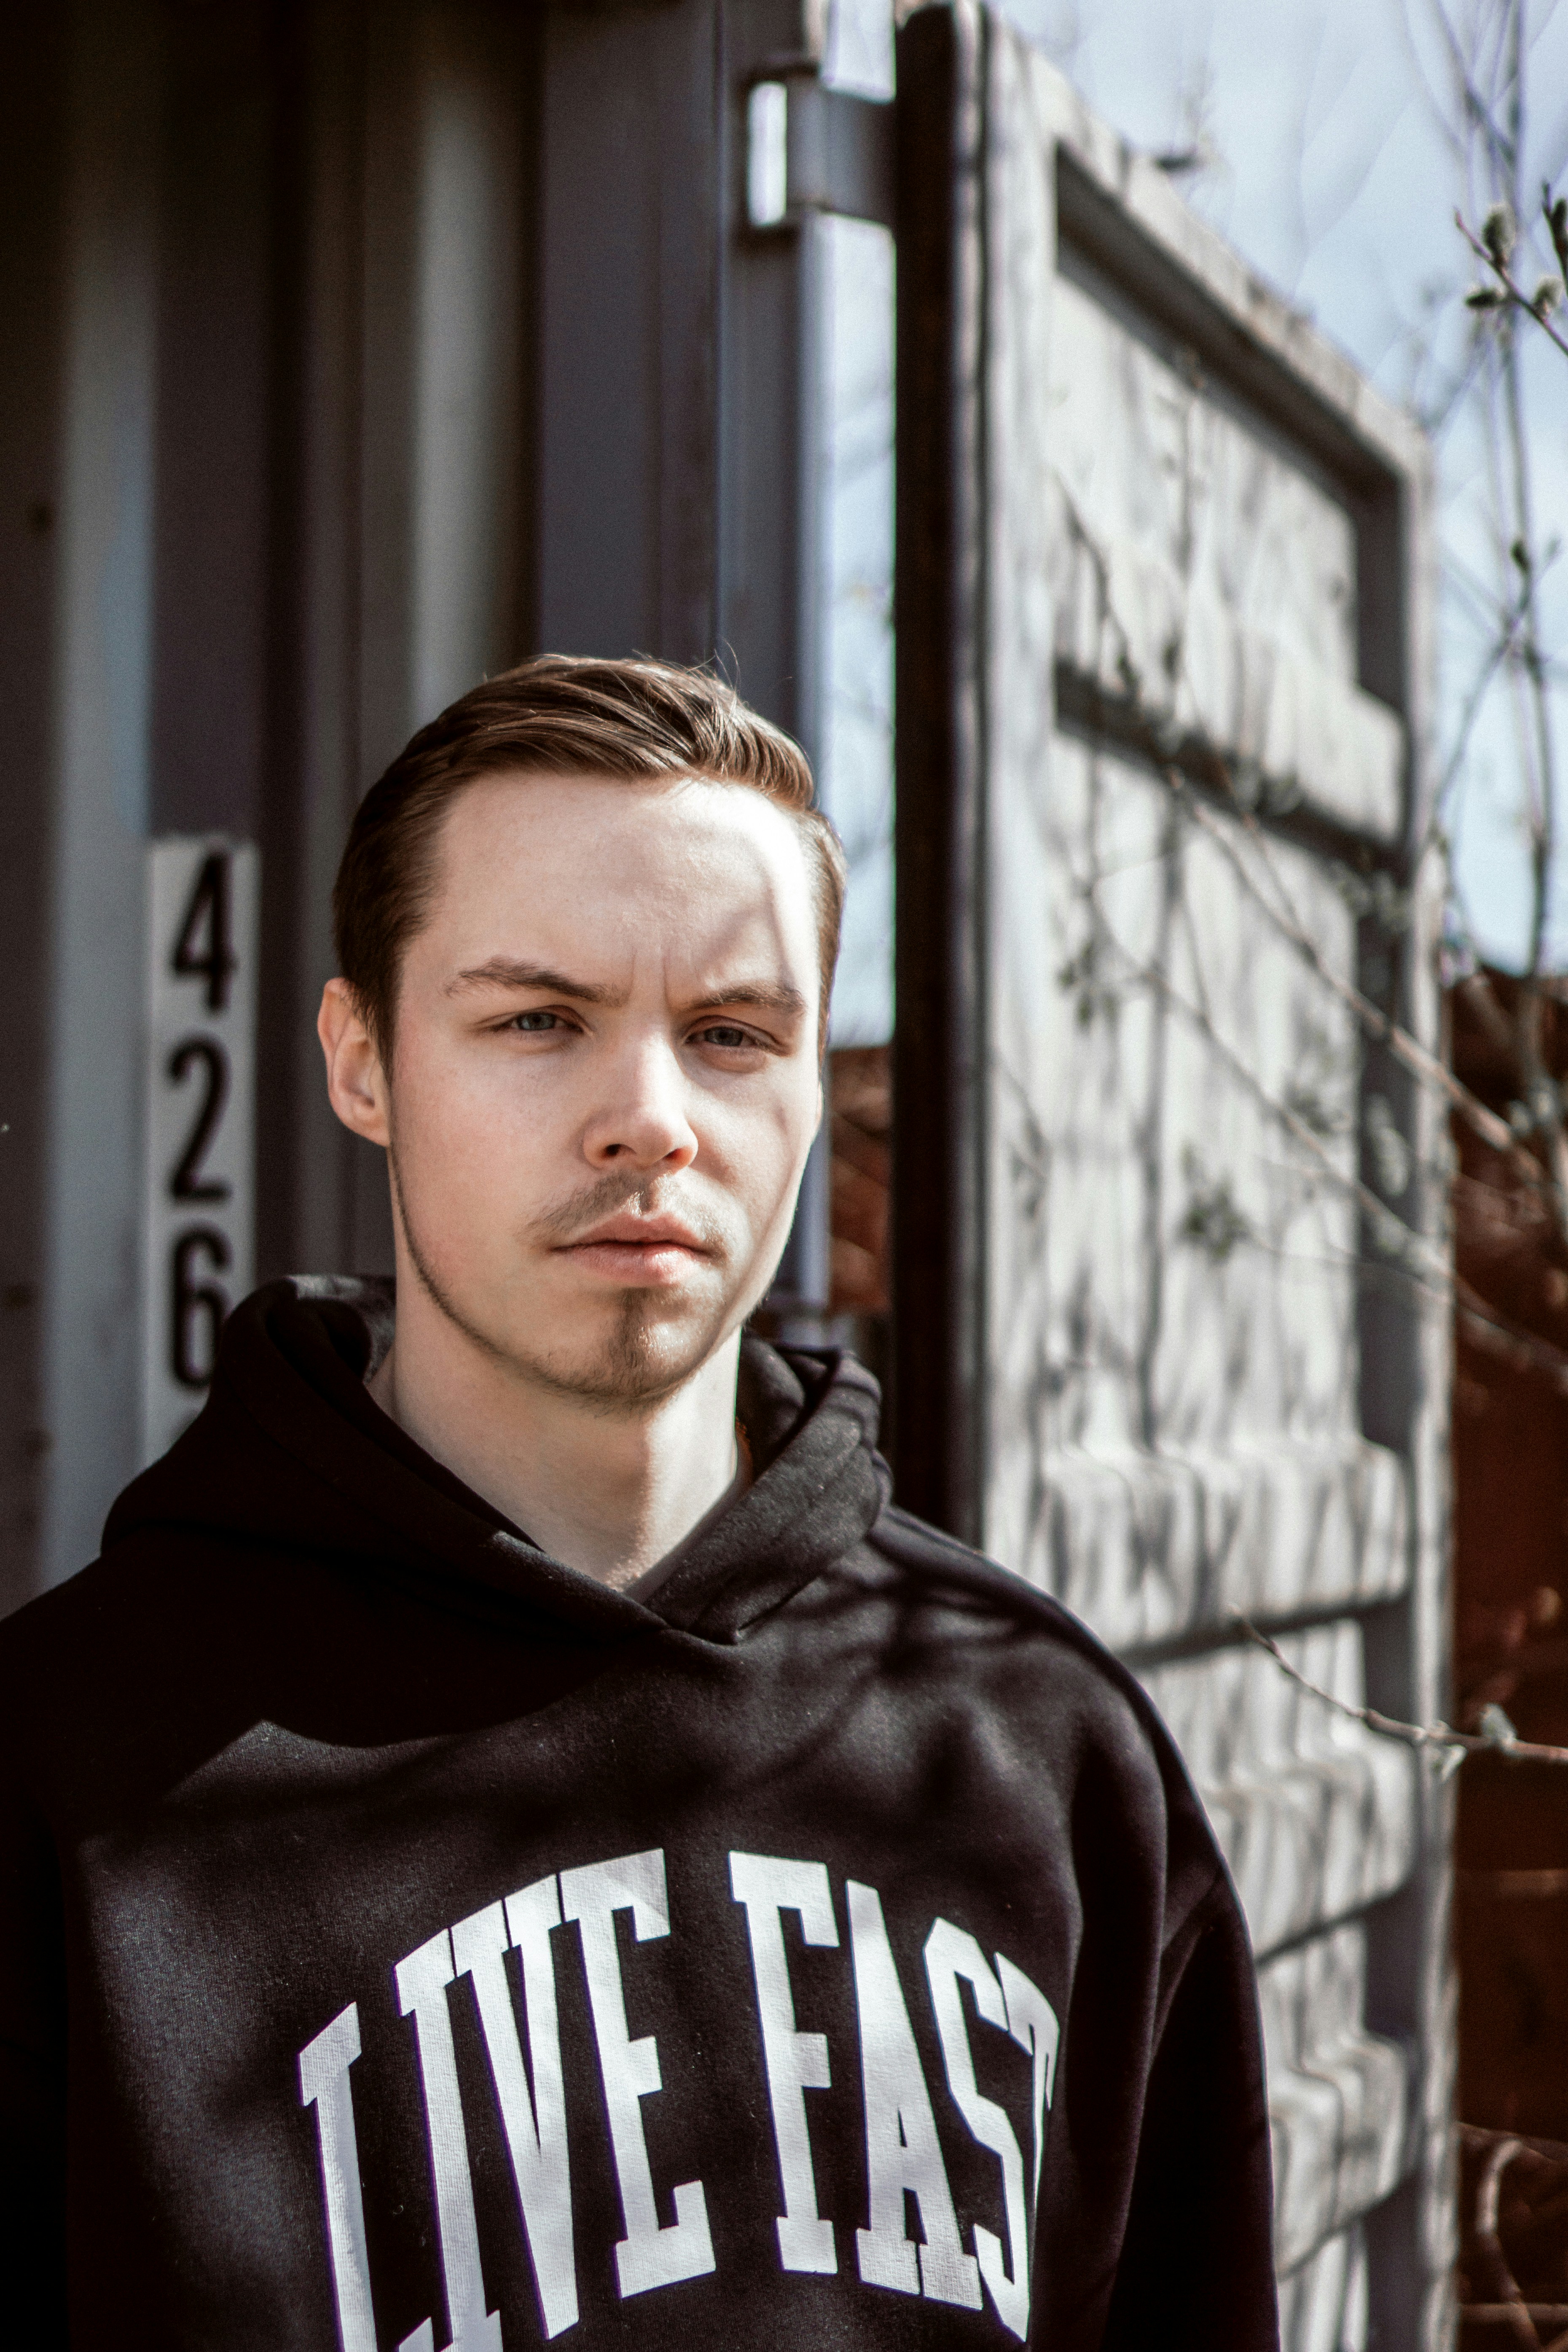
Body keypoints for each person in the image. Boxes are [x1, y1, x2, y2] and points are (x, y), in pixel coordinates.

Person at [0, 656, 1278, 2350]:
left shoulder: (1046, 1756)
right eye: (539, 1020)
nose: (650, 1123)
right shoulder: (66, 1770)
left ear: (814, 1081)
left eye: (733, 1034)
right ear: (363, 1059)